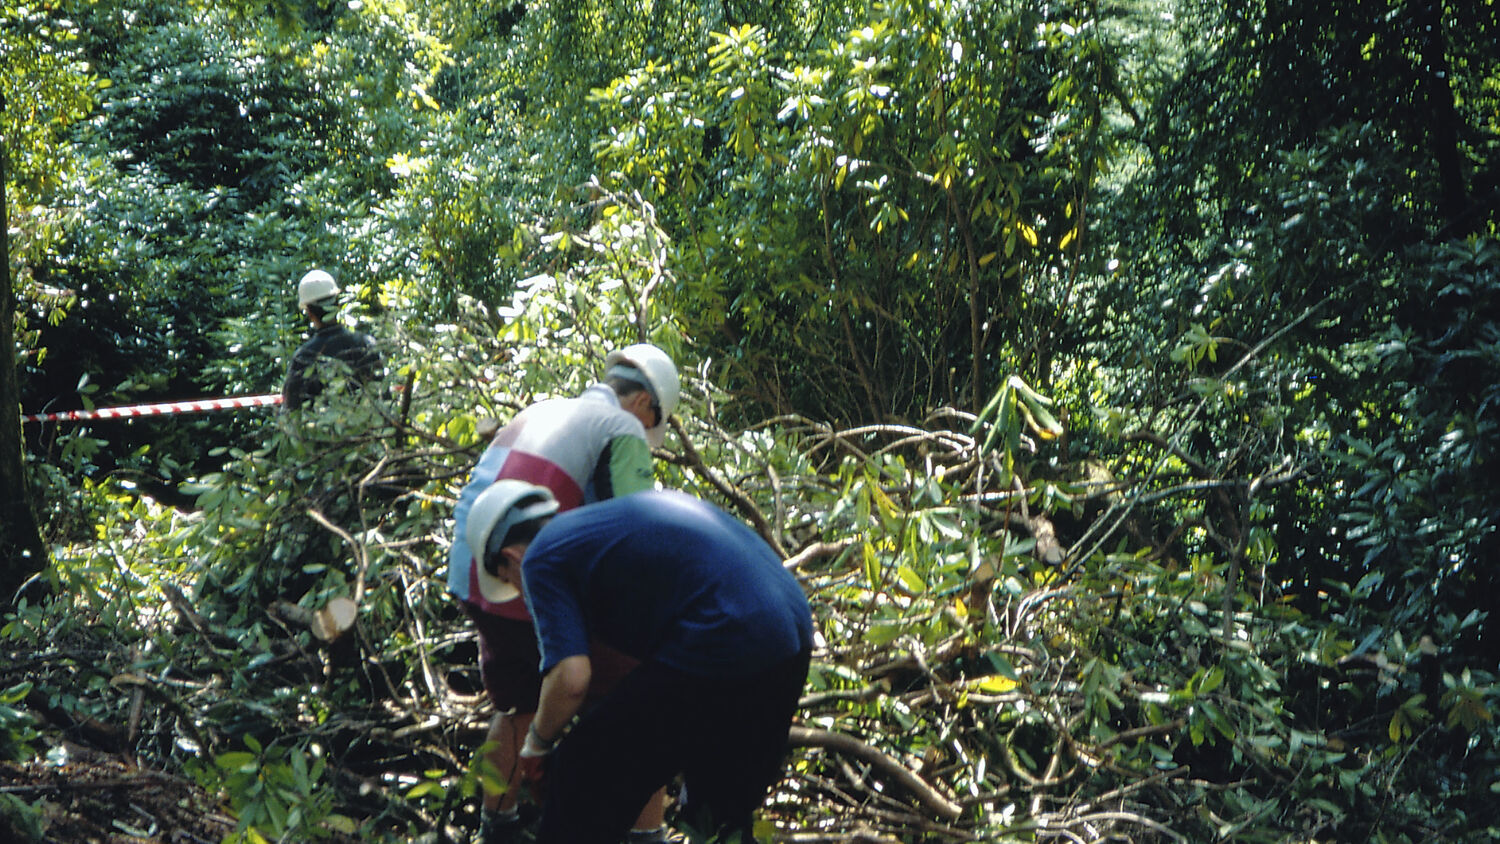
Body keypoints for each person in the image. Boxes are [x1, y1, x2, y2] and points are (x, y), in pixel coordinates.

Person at [466, 484, 814, 844]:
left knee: (579, 773)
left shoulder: (541, 556)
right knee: (716, 814)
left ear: (511, 557)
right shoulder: (602, 529)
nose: (522, 598)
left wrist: (536, 746)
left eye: (510, 583)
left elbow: (570, 678)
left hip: (726, 634)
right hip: (793, 635)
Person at [448, 343, 681, 844]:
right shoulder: (620, 427)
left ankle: (499, 827)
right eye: (653, 422)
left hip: (473, 571)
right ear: (643, 403)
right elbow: (637, 528)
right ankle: (645, 835)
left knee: (518, 705)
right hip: (523, 570)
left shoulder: (544, 409)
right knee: (640, 692)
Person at [281, 269, 384, 413]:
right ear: (338, 304)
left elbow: (291, 413)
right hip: (372, 432)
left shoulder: (304, 357)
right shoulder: (367, 344)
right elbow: (384, 399)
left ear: (309, 313)